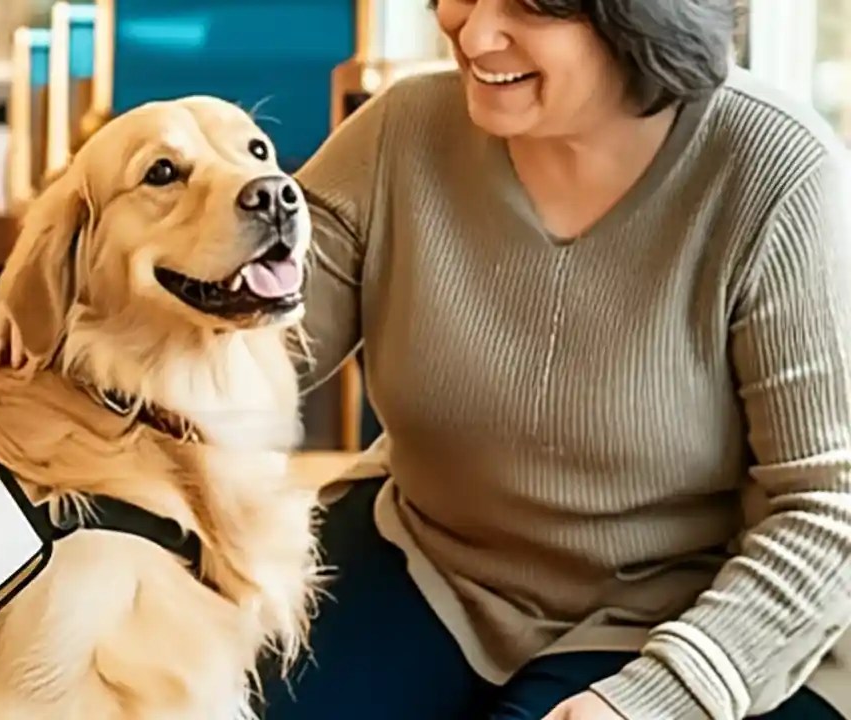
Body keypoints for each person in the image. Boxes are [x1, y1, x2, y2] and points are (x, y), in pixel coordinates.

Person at [258, 0, 851, 718]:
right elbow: (245, 357)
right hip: (432, 560)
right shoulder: (401, 131)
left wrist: (662, 696)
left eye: (531, 7)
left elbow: (827, 510)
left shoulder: (775, 171)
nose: (472, 32)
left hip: (682, 602)